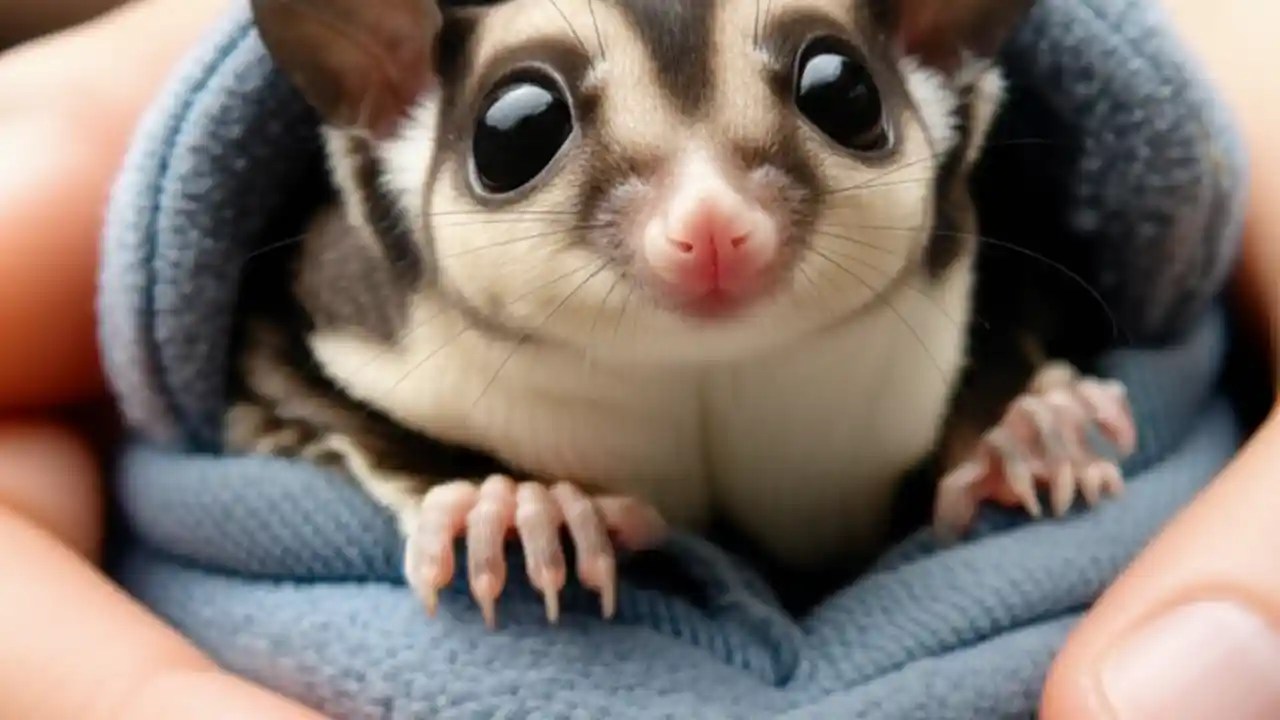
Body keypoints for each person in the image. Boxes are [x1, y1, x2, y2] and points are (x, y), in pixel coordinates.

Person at [0, 0, 1273, 717]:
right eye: (527, 128)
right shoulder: (340, 318)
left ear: (938, 67)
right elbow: (262, 393)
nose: (706, 221)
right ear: (390, 104)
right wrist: (438, 487)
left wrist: (1014, 410)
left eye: (832, 95)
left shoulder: (990, 268)